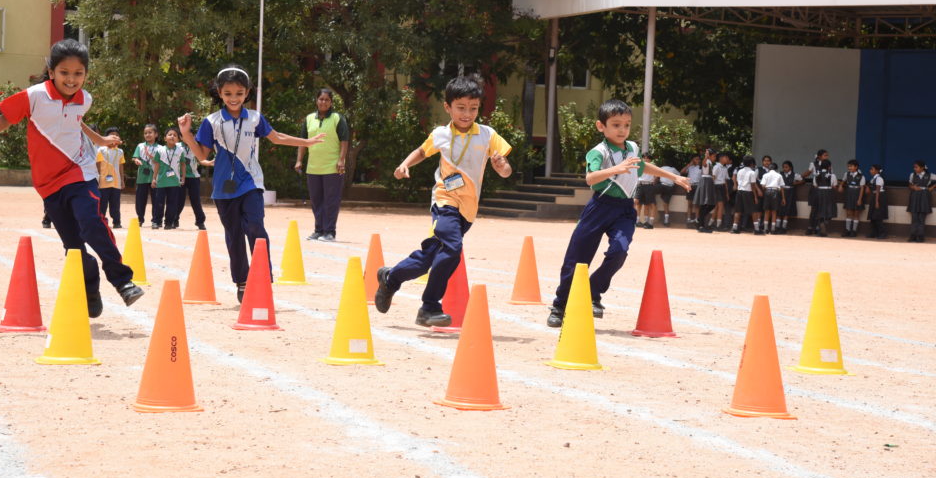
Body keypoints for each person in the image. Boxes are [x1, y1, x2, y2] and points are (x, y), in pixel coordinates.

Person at [0, 39, 144, 318]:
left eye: (78, 73)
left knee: (92, 221)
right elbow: (7, 117)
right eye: (64, 72)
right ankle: (90, 286)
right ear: (51, 72)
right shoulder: (35, 96)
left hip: (79, 171)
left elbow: (76, 121)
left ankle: (122, 281)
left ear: (86, 74)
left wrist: (100, 140)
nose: (71, 79)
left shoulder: (85, 98)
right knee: (73, 247)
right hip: (47, 183)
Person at [372, 75, 511, 327]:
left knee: (429, 257)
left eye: (473, 108)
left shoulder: (488, 135)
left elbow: (506, 171)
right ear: (448, 107)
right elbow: (422, 151)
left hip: (468, 209)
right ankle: (429, 307)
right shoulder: (441, 134)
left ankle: (390, 278)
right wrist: (404, 164)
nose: (467, 114)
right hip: (445, 201)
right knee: (453, 249)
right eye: (461, 107)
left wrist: (502, 167)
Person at [178, 65, 324, 302]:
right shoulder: (212, 121)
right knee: (234, 234)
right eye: (228, 93)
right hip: (224, 188)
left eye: (239, 93)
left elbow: (277, 137)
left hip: (251, 182)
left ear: (247, 93)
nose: (233, 98)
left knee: (255, 226)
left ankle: (262, 277)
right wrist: (186, 134)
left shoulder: (255, 118)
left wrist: (306, 142)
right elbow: (202, 154)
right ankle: (242, 281)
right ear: (219, 93)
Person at [542, 99, 689, 327]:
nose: (622, 130)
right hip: (599, 207)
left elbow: (642, 167)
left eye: (627, 125)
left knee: (619, 251)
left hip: (625, 210)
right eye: (616, 124)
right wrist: (616, 169)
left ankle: (593, 292)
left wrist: (674, 176)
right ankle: (560, 306)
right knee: (577, 259)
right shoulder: (598, 152)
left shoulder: (632, 148)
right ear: (601, 126)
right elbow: (590, 178)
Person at [294, 88, 350, 242]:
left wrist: (341, 160)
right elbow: (303, 142)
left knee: (331, 201)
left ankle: (330, 232)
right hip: (313, 167)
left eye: (327, 100)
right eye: (321, 99)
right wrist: (299, 160)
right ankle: (318, 230)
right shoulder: (309, 119)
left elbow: (344, 141)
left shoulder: (338, 118)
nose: (323, 102)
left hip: (333, 167)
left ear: (331, 102)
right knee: (316, 201)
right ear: (316, 100)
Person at [150, 127, 185, 230]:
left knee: (172, 204)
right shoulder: (160, 150)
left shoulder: (180, 150)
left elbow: (183, 164)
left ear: (178, 139)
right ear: (165, 138)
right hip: (161, 182)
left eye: (175, 135)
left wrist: (183, 177)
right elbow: (156, 165)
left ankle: (169, 223)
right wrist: (154, 178)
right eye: (170, 134)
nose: (172, 136)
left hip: (174, 182)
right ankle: (156, 221)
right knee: (159, 203)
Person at [96, 127, 126, 229]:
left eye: (117, 135)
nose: (115, 137)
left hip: (116, 182)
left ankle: (117, 222)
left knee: (115, 204)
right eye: (112, 135)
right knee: (102, 203)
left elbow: (121, 166)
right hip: (103, 182)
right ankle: (101, 221)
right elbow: (98, 165)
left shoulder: (120, 151)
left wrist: (122, 180)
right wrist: (97, 179)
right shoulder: (101, 150)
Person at [132, 123, 158, 226]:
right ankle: (140, 219)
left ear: (156, 134)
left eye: (150, 132)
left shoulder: (160, 148)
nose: (147, 135)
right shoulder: (140, 146)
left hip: (155, 177)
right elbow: (135, 157)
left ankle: (155, 220)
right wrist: (136, 160)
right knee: (140, 200)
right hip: (142, 177)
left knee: (156, 200)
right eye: (145, 133)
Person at [178, 141, 207, 230]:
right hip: (179, 177)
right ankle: (174, 219)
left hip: (194, 176)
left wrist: (210, 162)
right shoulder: (177, 146)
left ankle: (200, 221)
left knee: (196, 200)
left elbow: (202, 159)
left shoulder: (196, 146)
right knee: (179, 200)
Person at [731, 155, 762, 235]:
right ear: (752, 163)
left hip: (739, 192)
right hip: (748, 192)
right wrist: (755, 196)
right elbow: (752, 185)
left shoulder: (739, 171)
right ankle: (756, 229)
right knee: (754, 211)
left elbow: (737, 181)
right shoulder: (752, 172)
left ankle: (734, 228)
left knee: (738, 210)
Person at [808, 158, 837, 236]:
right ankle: (825, 222)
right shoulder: (832, 175)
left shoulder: (816, 175)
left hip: (818, 193)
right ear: (829, 167)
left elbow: (815, 185)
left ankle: (820, 224)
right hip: (828, 193)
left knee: (819, 210)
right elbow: (834, 186)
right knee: (830, 209)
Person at [906, 160, 933, 243]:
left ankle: (920, 237)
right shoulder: (912, 175)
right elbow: (909, 185)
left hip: (924, 197)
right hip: (914, 197)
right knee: (914, 218)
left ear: (922, 168)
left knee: (921, 218)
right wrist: (913, 187)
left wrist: (931, 187)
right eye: (914, 167)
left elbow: (931, 186)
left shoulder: (930, 175)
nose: (915, 169)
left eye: (916, 167)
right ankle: (913, 236)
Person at [839, 159, 866, 238]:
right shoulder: (846, 174)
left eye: (851, 166)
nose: (849, 168)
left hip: (857, 194)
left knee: (856, 213)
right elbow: (843, 181)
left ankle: (854, 231)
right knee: (848, 213)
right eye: (848, 166)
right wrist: (840, 186)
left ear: (856, 167)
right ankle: (847, 230)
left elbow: (862, 188)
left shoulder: (861, 176)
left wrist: (860, 199)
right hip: (849, 194)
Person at [693, 148, 717, 233]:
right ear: (709, 156)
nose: (715, 158)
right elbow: (704, 164)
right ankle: (701, 225)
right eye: (714, 156)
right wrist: (706, 157)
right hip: (706, 182)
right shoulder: (707, 161)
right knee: (705, 204)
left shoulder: (710, 162)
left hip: (708, 182)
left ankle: (699, 221)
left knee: (708, 204)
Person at [634, 152, 658, 228]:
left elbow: (657, 175)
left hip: (649, 185)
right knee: (637, 203)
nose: (645, 159)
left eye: (647, 158)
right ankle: (637, 221)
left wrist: (654, 181)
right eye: (644, 158)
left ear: (650, 159)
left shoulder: (653, 166)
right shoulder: (638, 165)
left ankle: (649, 222)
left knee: (649, 204)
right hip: (640, 185)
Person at [760, 161, 784, 234]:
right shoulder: (779, 175)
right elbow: (782, 187)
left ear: (769, 168)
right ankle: (773, 229)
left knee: (766, 211)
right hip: (775, 192)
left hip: (767, 191)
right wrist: (783, 198)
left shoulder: (765, 175)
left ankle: (765, 229)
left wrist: (766, 190)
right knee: (774, 211)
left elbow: (763, 186)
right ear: (776, 169)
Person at [866, 164, 888, 239]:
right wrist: (867, 187)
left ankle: (882, 233)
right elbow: (870, 186)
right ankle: (873, 233)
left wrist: (876, 201)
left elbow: (878, 190)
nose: (870, 171)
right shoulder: (873, 178)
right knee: (873, 216)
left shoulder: (879, 179)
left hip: (879, 197)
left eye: (872, 169)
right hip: (874, 196)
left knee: (878, 216)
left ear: (877, 171)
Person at [778, 160, 799, 234]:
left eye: (786, 167)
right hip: (781, 193)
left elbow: (803, 180)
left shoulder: (795, 175)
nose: (784, 169)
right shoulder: (780, 174)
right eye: (783, 167)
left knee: (787, 210)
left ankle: (784, 227)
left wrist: (795, 183)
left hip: (790, 194)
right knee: (779, 210)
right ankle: (777, 226)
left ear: (790, 167)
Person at [681, 154, 702, 226]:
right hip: (690, 186)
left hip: (697, 186)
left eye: (698, 159)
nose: (698, 160)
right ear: (693, 160)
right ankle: (688, 219)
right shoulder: (690, 167)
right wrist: (689, 165)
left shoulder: (701, 168)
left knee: (697, 204)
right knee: (689, 204)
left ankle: (697, 219)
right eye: (696, 159)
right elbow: (682, 172)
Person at [656, 159, 678, 226]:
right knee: (666, 204)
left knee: (651, 191)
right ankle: (666, 221)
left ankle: (651, 202)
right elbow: (679, 175)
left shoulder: (662, 168)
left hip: (661, 186)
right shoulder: (673, 169)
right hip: (669, 187)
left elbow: (656, 176)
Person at [712, 151, 731, 230]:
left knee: (718, 206)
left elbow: (725, 181)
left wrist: (727, 193)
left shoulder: (725, 168)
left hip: (722, 187)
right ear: (721, 158)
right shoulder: (716, 167)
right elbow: (713, 178)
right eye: (726, 157)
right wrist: (712, 190)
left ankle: (711, 223)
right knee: (720, 206)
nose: (727, 159)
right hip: (717, 187)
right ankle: (718, 225)